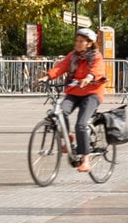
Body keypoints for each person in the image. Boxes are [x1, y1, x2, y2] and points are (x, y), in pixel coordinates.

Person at [45, 27, 108, 175]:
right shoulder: (72, 56)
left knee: (81, 124)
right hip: (74, 92)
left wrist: (88, 78)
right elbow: (61, 67)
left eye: (81, 41)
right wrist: (47, 77)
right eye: (77, 41)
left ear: (89, 43)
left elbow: (97, 70)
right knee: (60, 112)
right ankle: (69, 138)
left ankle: (85, 160)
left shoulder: (96, 56)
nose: (78, 43)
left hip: (92, 93)